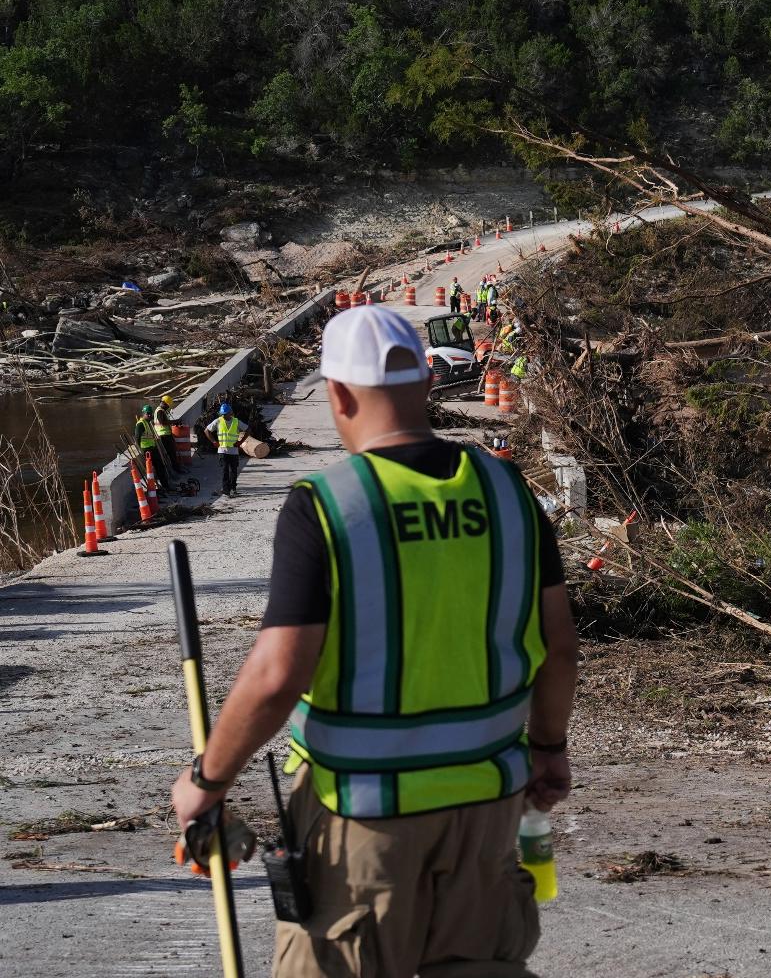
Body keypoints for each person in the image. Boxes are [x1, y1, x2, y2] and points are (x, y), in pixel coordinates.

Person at [171, 305, 578, 978]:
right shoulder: (508, 490)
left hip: (362, 818)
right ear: (427, 383)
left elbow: (277, 676)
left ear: (337, 393)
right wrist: (549, 748)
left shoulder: (327, 505)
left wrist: (206, 780)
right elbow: (559, 646)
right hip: (486, 809)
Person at [203, 402, 247, 497]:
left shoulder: (236, 421)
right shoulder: (218, 421)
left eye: (225, 414)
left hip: (233, 451)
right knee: (225, 471)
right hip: (222, 451)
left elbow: (248, 430)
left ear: (230, 413)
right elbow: (206, 431)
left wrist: (240, 442)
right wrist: (214, 442)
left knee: (233, 471)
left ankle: (233, 489)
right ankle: (226, 489)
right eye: (222, 414)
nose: (224, 415)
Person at [135, 404, 175, 490]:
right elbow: (137, 438)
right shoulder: (140, 424)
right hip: (146, 450)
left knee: (160, 467)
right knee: (150, 470)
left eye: (150, 413)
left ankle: (165, 485)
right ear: (144, 413)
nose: (150, 415)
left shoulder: (148, 422)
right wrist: (140, 449)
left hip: (153, 448)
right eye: (148, 413)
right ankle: (153, 488)